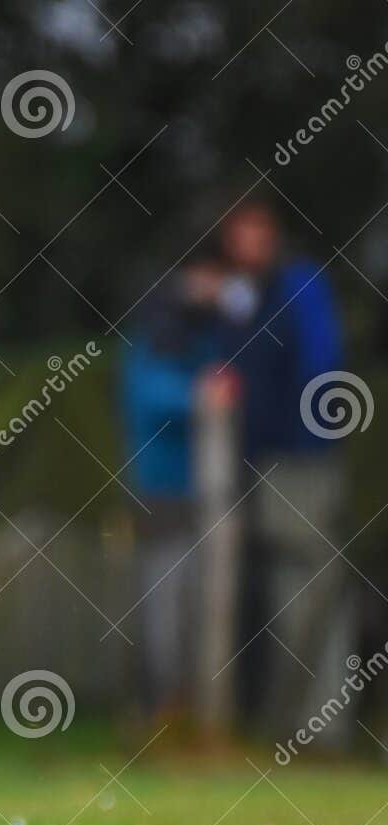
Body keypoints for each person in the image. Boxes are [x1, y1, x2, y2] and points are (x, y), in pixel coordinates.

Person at [214, 199, 351, 740]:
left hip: (302, 462)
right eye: (238, 232)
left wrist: (310, 439)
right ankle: (297, 725)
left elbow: (321, 363)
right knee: (286, 590)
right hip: (266, 465)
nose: (246, 242)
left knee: (314, 588)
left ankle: (323, 727)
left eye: (255, 230)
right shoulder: (249, 295)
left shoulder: (298, 285)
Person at [119, 258, 233, 724]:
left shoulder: (205, 334)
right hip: (162, 492)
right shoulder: (152, 340)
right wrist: (198, 395)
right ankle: (162, 703)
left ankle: (191, 703)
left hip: (209, 492)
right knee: (165, 597)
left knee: (198, 600)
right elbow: (153, 396)